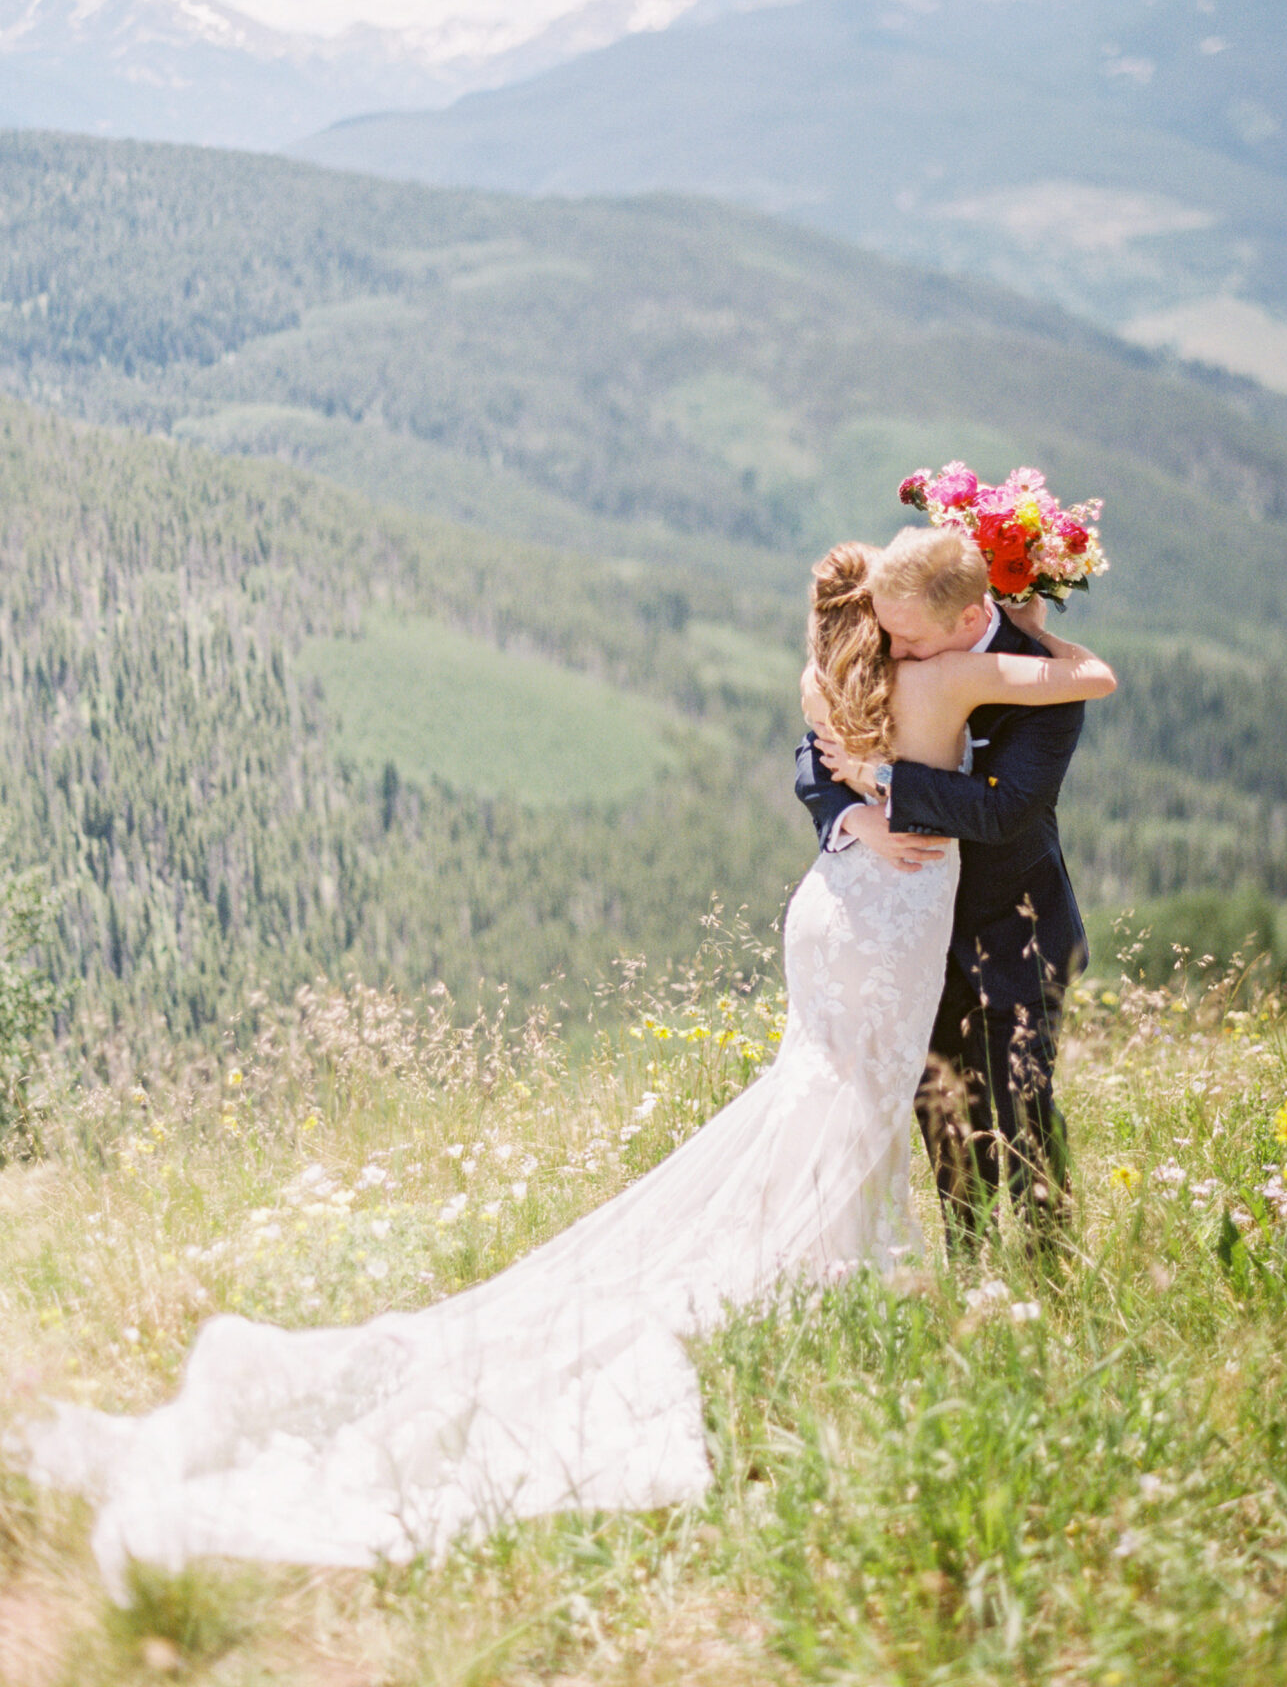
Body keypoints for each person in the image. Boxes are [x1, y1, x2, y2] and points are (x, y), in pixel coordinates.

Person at [22, 541, 1114, 1598]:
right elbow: (1083, 676)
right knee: (870, 1103)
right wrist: (940, 715)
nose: (908, 641)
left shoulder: (851, 657)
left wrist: (875, 799)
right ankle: (832, 1281)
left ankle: (866, 1273)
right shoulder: (957, 660)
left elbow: (981, 792)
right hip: (886, 912)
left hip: (860, 912)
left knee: (853, 1098)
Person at [796, 526, 1098, 1244]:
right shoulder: (908, 622)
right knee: (940, 1108)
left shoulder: (1040, 681)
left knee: (1022, 1104)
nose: (893, 656)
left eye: (911, 643)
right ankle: (969, 1255)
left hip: (1015, 925)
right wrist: (853, 814)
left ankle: (1047, 1263)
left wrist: (886, 783)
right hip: (911, 929)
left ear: (968, 618)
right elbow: (814, 751)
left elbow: (1001, 811)